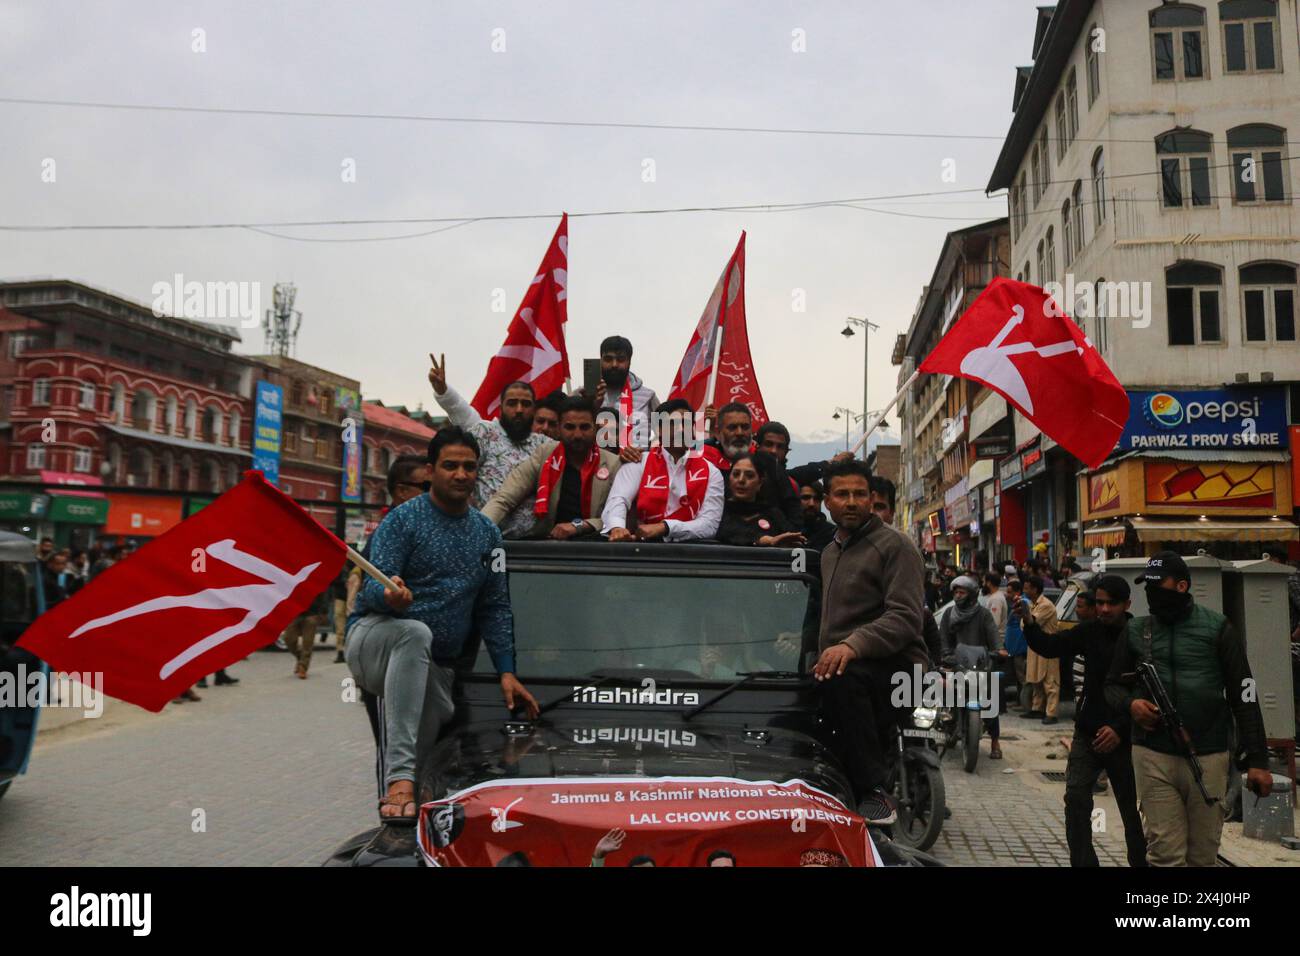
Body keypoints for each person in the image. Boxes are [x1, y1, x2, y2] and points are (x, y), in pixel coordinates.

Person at [346, 427, 539, 821]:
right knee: (414, 633)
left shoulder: (488, 534)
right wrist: (388, 595)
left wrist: (507, 671)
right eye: (450, 466)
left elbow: (495, 606)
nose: (461, 474)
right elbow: (368, 589)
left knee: (427, 763)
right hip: (375, 642)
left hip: (435, 665)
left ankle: (410, 817)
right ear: (431, 471)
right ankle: (398, 781)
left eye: (470, 467)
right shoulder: (403, 520)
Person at [1105, 552, 1271, 867]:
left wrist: (1258, 761)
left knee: (1202, 855)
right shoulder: (1136, 631)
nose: (1152, 594)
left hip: (1209, 755)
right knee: (1165, 853)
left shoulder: (1217, 628)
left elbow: (1244, 694)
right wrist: (1131, 705)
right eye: (1148, 587)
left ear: (1182, 586)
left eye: (1159, 585)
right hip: (1153, 754)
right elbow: (1111, 685)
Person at [814, 458, 928, 824]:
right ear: (826, 501)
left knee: (842, 676)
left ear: (871, 498)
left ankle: (877, 791)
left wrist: (851, 645)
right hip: (852, 669)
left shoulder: (896, 546)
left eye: (860, 494)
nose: (851, 502)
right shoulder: (830, 553)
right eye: (842, 494)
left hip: (902, 671)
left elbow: (906, 618)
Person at [1024, 574, 1146, 867]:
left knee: (1133, 813)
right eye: (1100, 603)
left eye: (1111, 604)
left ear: (1126, 604)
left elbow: (1147, 689)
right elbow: (1051, 646)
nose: (1104, 610)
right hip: (1088, 734)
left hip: (1126, 739)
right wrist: (1029, 624)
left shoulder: (1140, 635)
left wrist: (1119, 729)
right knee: (1076, 801)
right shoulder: (1089, 631)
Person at [427, 352, 551, 538]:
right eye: (512, 403)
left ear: (534, 409)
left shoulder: (544, 444)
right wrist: (444, 390)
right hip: (484, 538)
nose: (519, 410)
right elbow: (463, 415)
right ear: (501, 407)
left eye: (525, 404)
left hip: (533, 544)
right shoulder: (486, 433)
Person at [483, 396, 621, 539]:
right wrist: (478, 529)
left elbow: (621, 518)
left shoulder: (613, 464)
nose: (578, 435)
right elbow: (504, 498)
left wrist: (579, 526)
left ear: (596, 428)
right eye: (570, 427)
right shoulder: (544, 455)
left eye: (584, 427)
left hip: (598, 549)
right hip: (551, 548)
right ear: (559, 428)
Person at [601, 398, 723, 543]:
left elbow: (709, 525)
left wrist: (665, 527)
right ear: (658, 430)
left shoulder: (711, 472)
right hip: (642, 549)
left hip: (691, 553)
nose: (681, 429)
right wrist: (617, 528)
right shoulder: (638, 461)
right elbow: (618, 499)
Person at [700, 402, 801, 526]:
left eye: (745, 427)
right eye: (732, 427)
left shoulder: (768, 463)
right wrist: (700, 421)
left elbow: (792, 507)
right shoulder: (703, 460)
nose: (740, 433)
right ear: (719, 432)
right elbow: (676, 445)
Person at [939, 574, 1005, 759]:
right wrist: (946, 654)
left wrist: (999, 650)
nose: (958, 595)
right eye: (956, 592)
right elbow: (943, 638)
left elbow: (993, 636)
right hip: (956, 663)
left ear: (972, 594)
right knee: (943, 688)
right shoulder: (948, 614)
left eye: (962, 592)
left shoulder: (983, 615)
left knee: (992, 698)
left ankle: (995, 741)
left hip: (979, 665)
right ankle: (948, 721)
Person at [716, 452, 804, 548]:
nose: (741, 480)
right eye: (736, 474)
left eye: (749, 475)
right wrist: (764, 540)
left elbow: (795, 541)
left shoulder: (773, 514)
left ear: (760, 482)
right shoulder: (718, 510)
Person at [592, 335, 659, 451]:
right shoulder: (584, 394)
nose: (614, 364)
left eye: (621, 359)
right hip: (593, 465)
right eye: (608, 359)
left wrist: (648, 451)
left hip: (635, 464)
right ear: (600, 360)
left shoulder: (648, 396)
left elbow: (667, 432)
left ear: (629, 361)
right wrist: (590, 405)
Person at [1018, 575, 1060, 724]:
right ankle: (1037, 709)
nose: (1024, 590)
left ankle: (1051, 713)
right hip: (1035, 646)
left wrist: (1026, 621)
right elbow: (1024, 625)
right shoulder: (1032, 604)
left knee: (1050, 681)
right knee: (1036, 679)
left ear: (1035, 589)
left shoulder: (1046, 605)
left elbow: (1031, 622)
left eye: (1027, 588)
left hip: (1049, 646)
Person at [1004, 578, 1030, 711]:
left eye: (1009, 592)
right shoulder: (1015, 604)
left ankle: (1026, 704)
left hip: (1020, 647)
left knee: (1022, 677)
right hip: (1014, 647)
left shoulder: (1023, 603)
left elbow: (1024, 626)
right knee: (1018, 676)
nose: (1007, 595)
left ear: (1018, 592)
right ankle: (1020, 701)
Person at [798, 481, 837, 553]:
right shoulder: (784, 530)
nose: (811, 504)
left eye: (817, 499)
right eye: (806, 498)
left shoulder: (833, 534)